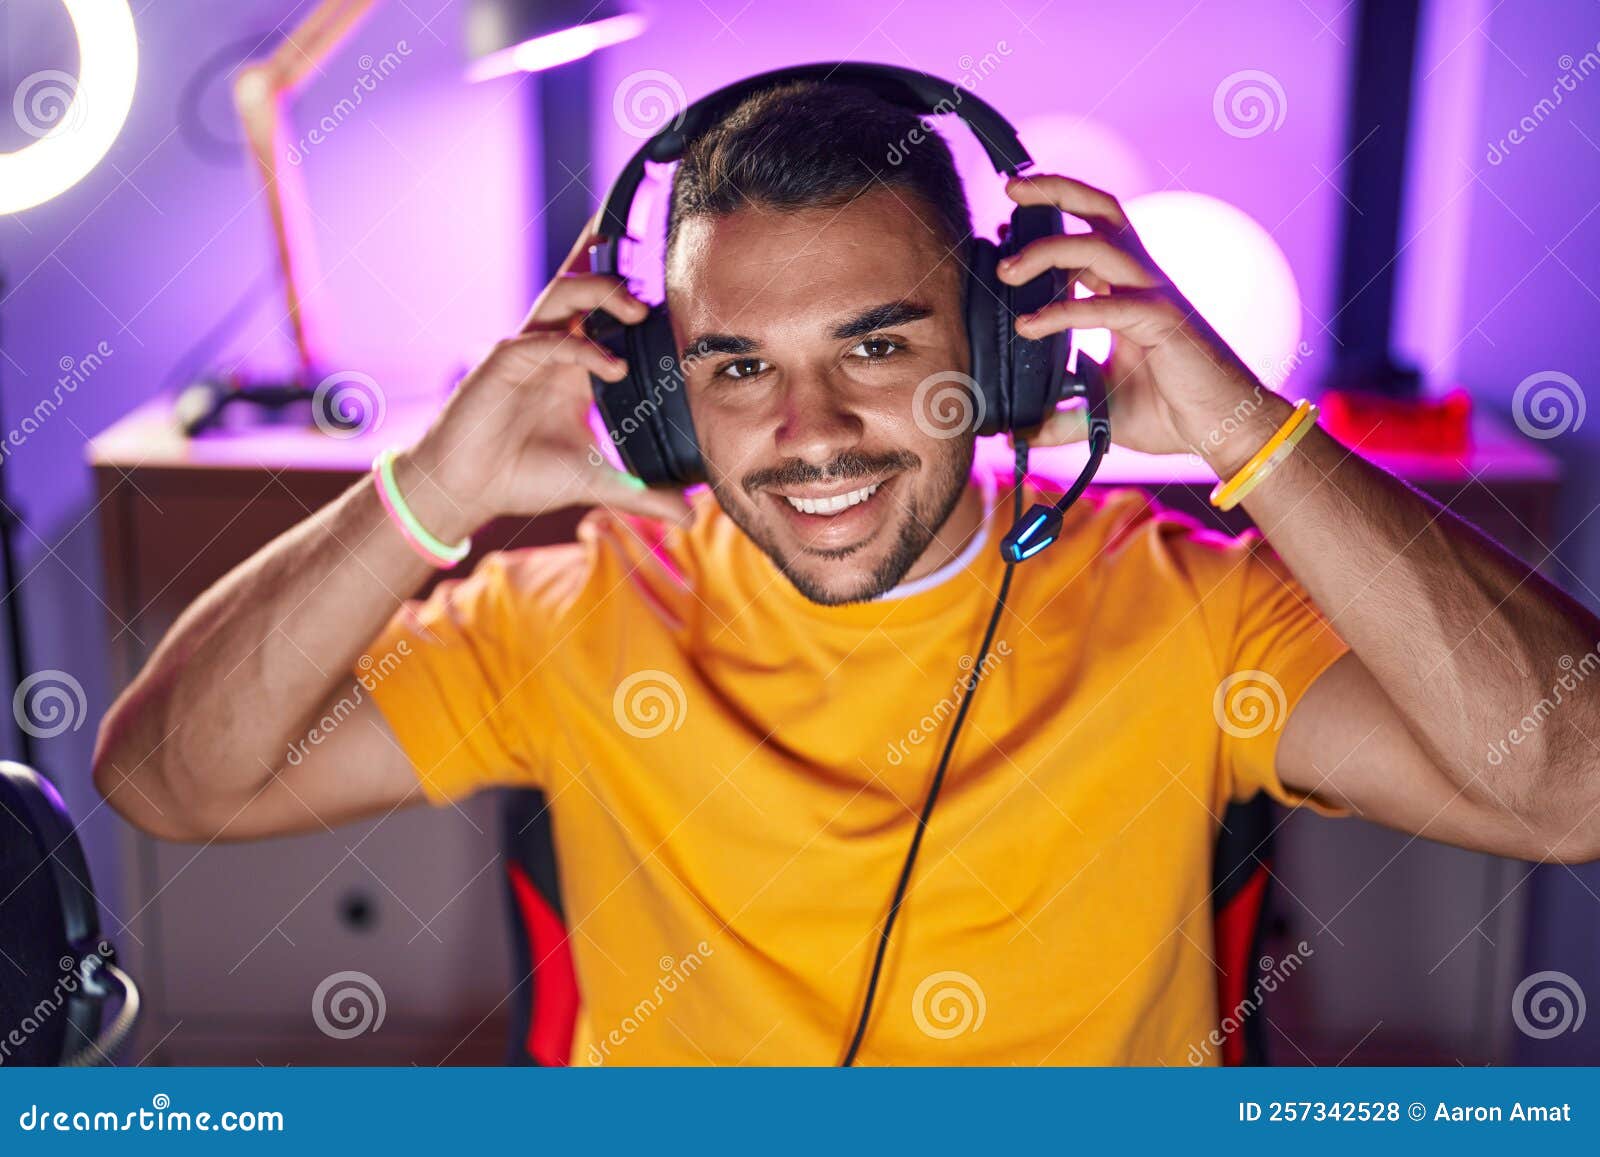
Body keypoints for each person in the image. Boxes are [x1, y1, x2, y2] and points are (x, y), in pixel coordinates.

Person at [94, 80, 1600, 1065]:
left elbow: (1574, 787)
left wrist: (1247, 432)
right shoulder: (577, 609)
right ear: (662, 397)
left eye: (876, 344)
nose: (806, 432)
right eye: (735, 365)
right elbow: (169, 780)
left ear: (1008, 350)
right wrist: (429, 493)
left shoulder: (1189, 604)